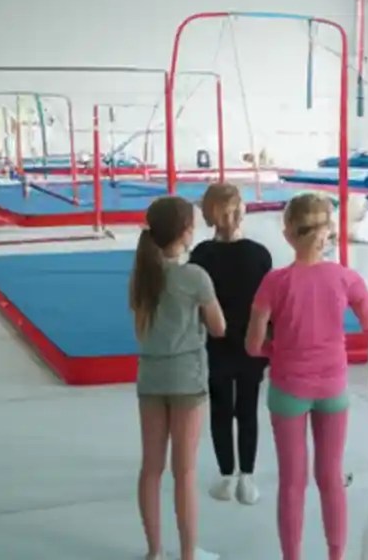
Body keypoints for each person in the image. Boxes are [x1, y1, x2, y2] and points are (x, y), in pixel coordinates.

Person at [247, 192, 368, 560]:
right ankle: (336, 554)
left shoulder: (274, 283)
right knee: (330, 476)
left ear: (288, 233)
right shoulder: (345, 278)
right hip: (332, 386)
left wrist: (277, 351)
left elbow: (252, 344)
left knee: (292, 482)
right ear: (328, 235)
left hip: (289, 387)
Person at [129, 195, 227, 560]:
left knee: (150, 468)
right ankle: (187, 553)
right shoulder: (194, 277)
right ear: (186, 232)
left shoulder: (143, 276)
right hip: (187, 379)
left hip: (151, 379)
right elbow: (218, 327)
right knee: (184, 472)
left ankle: (154, 551)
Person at [189, 183, 272, 506]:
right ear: (242, 213)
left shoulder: (201, 255)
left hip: (217, 343)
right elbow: (269, 306)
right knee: (246, 408)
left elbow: (194, 304)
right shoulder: (258, 254)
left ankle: (227, 474)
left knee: (222, 409)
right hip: (251, 344)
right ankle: (246, 477)